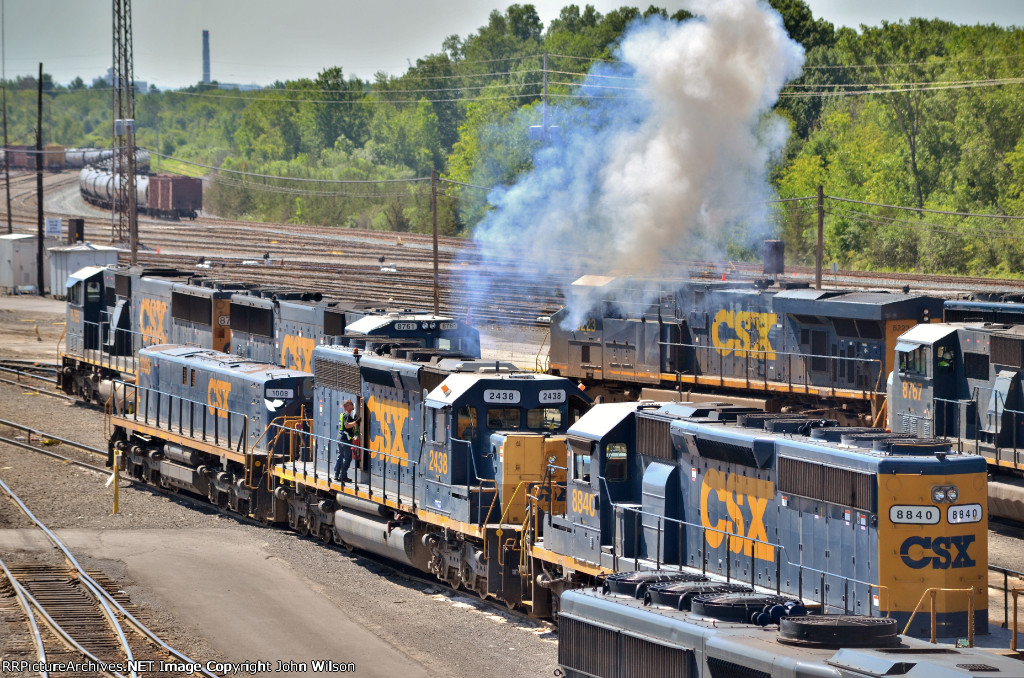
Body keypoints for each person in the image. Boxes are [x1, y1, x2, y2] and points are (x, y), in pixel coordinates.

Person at [334, 399, 359, 483]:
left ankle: (336, 475)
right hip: (345, 440)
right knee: (348, 458)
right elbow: (347, 425)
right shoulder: (347, 416)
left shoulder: (343, 415)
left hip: (340, 438)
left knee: (340, 457)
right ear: (347, 406)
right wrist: (356, 422)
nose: (353, 405)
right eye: (351, 404)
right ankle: (343, 476)